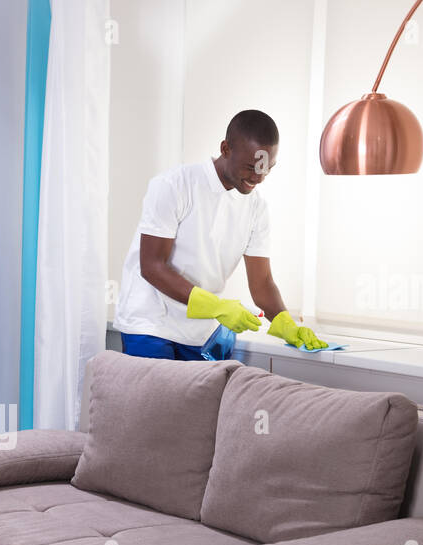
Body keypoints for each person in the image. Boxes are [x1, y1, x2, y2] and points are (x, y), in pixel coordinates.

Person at [114, 109, 326, 361]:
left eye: (267, 168)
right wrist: (216, 306)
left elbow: (262, 282)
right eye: (250, 166)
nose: (258, 177)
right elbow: (151, 266)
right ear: (225, 148)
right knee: (158, 400)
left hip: (200, 331)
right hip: (150, 324)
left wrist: (284, 322)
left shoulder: (256, 208)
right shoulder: (174, 185)